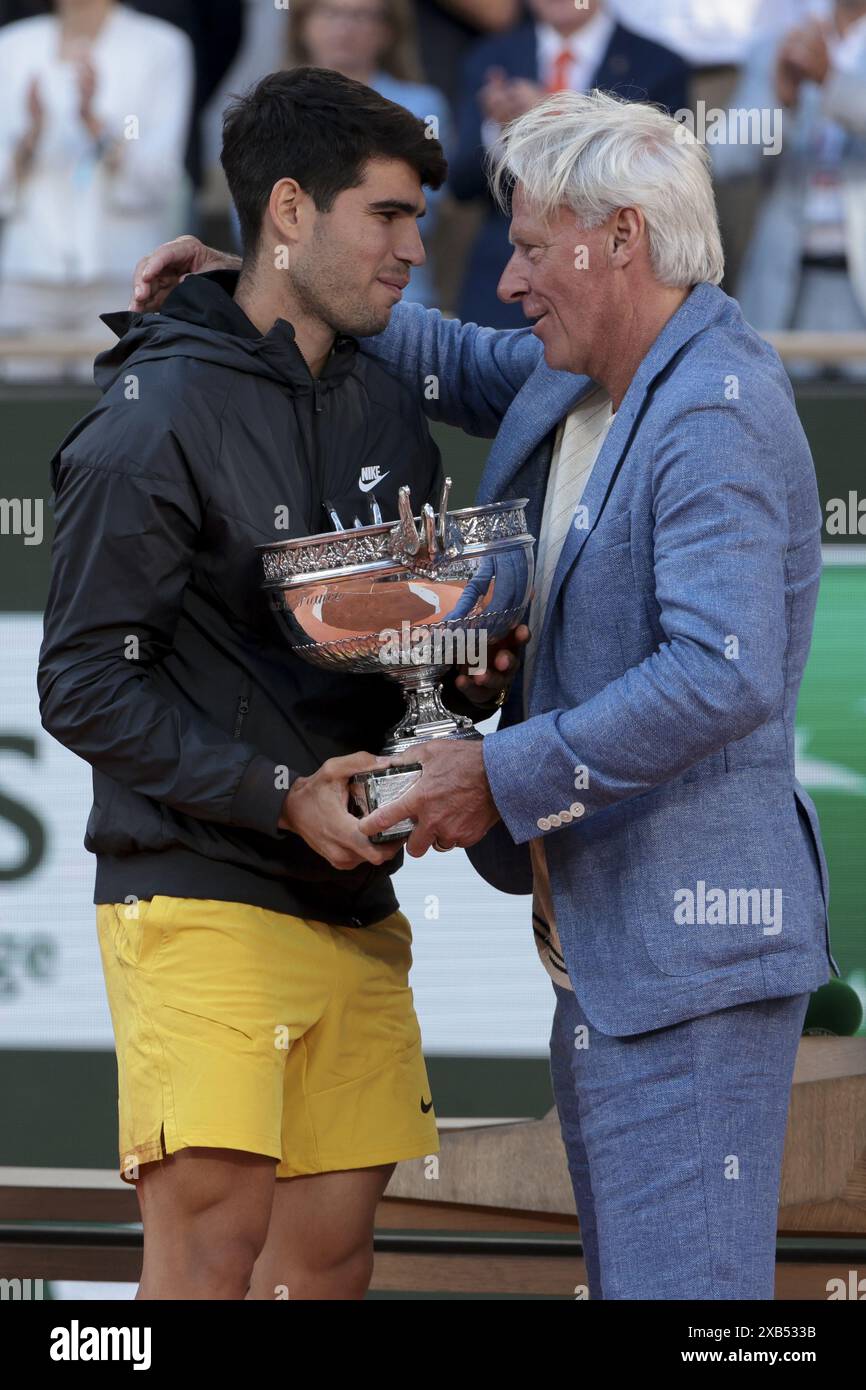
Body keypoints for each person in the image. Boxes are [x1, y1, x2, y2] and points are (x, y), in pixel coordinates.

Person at [128, 85, 838, 1299]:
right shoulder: (585, 377)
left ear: (619, 236)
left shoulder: (715, 408)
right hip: (612, 954)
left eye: (525, 246)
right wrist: (265, 259)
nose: (506, 281)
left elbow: (721, 676)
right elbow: (444, 350)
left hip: (690, 960)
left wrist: (497, 772)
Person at [37, 66, 466, 1301]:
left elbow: (388, 661)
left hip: (352, 904)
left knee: (322, 1269)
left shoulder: (394, 407)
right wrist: (279, 792)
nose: (409, 249)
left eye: (419, 222)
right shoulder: (154, 407)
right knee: (209, 1261)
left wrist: (460, 671)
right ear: (290, 208)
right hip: (200, 890)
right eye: (385, 216)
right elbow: (80, 682)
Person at [449, 0, 689, 326]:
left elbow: (665, 180)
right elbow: (461, 185)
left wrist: (561, 123)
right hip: (506, 286)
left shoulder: (659, 64)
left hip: (611, 280)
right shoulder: (490, 58)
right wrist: (500, 133)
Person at [0, 0, 193, 378]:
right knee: (20, 419)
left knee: (116, 416)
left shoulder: (161, 46)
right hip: (26, 273)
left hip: (124, 277)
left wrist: (97, 127)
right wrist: (29, 140)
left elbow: (159, 179)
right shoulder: (11, 45)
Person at [712, 0, 866, 377]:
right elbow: (723, 159)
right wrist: (780, 100)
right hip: (784, 284)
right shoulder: (783, 43)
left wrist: (832, 81)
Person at [287, 0, 450, 306]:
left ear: (387, 31)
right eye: (331, 13)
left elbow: (420, 214)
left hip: (399, 297)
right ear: (301, 25)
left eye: (361, 15)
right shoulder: (272, 108)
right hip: (295, 293)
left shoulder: (423, 106)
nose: (345, 27)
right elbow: (253, 216)